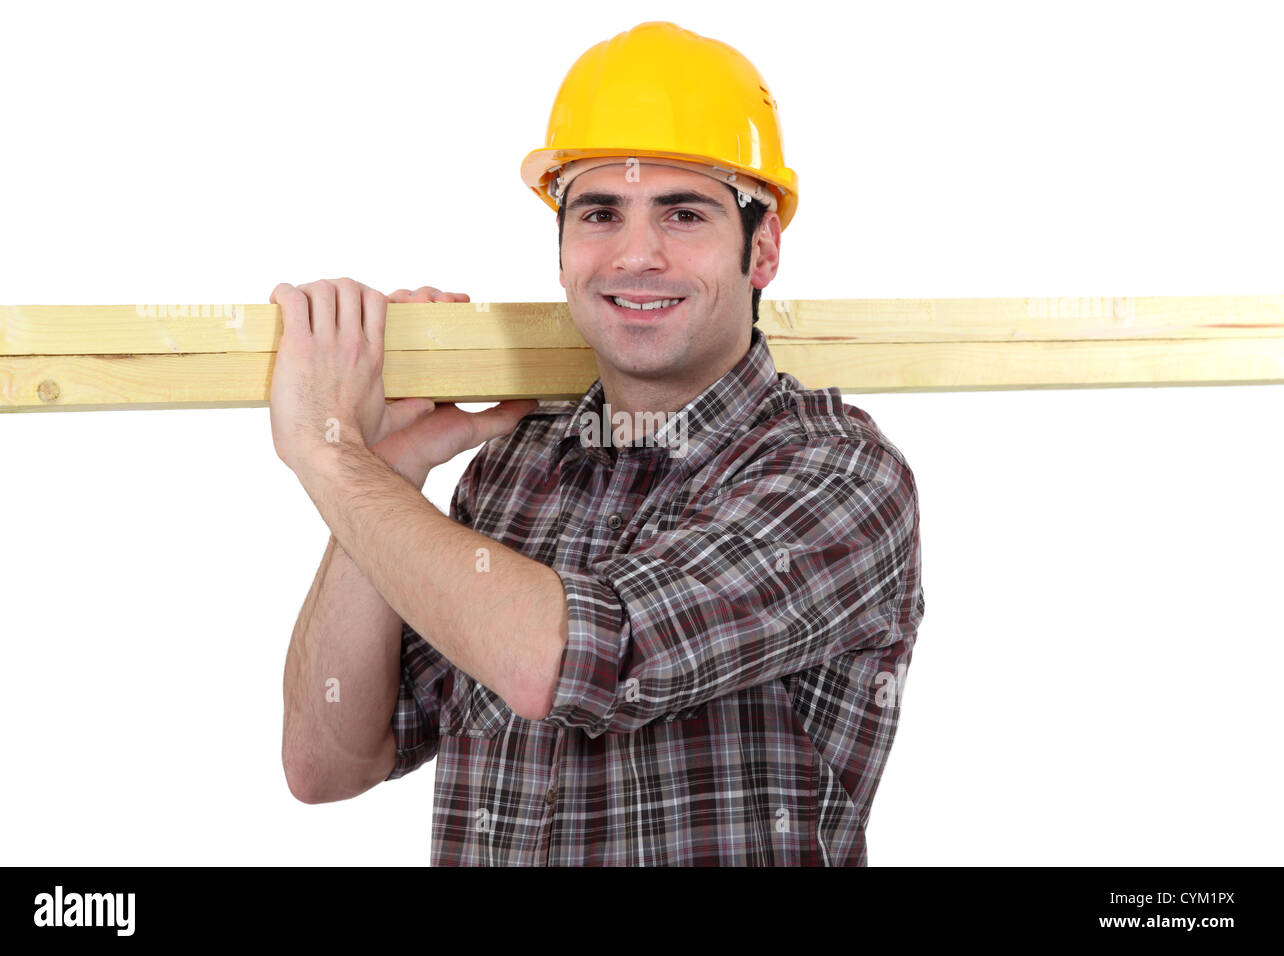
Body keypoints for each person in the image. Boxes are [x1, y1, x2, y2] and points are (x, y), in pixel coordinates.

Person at [273, 20, 924, 866]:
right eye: (599, 213)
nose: (635, 255)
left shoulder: (837, 474)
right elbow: (327, 763)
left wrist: (330, 458)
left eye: (683, 213)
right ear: (561, 252)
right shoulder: (510, 473)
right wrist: (389, 473)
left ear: (761, 249)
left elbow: (580, 659)